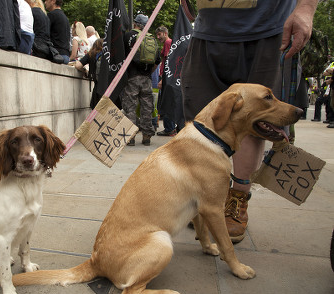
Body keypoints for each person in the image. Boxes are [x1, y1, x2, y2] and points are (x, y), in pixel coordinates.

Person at [181, 0, 318, 243]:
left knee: (257, 117)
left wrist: (305, 8)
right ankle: (204, 199)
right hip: (207, 28)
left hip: (270, 27)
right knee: (199, 117)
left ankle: (237, 201)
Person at [121, 14, 161, 146]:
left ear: (135, 24)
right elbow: (157, 61)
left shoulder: (127, 36)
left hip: (131, 76)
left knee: (130, 106)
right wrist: (149, 72)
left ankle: (130, 137)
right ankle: (146, 136)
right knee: (146, 107)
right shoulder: (151, 39)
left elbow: (121, 56)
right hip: (146, 77)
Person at [155, 26, 176, 137]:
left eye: (160, 34)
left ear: (165, 33)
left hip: (166, 77)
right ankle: (171, 127)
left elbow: (168, 61)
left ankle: (169, 128)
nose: (158, 37)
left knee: (166, 101)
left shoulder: (168, 43)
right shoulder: (170, 43)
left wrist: (163, 79)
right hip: (169, 77)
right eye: (157, 35)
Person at [75, 39, 104, 108]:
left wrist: (84, 70)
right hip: (108, 86)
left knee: (96, 109)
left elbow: (78, 65)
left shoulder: (91, 54)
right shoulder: (107, 55)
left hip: (97, 86)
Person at [44, 0, 71, 64]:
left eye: (46, 0)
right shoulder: (65, 18)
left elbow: (44, 35)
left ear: (53, 1)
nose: (45, 2)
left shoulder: (52, 15)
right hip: (66, 56)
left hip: (56, 55)